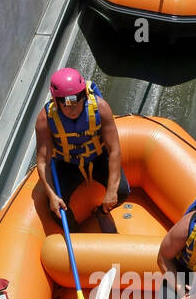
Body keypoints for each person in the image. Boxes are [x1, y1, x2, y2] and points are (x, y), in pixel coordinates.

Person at [35, 67, 130, 233]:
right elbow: (43, 161)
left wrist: (112, 190)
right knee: (57, 212)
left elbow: (114, 150)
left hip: (98, 158)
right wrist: (52, 195)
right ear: (56, 101)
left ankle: (102, 213)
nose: (73, 109)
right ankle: (76, 233)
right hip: (67, 163)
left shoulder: (101, 108)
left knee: (122, 191)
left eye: (77, 102)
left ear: (84, 96)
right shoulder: (45, 119)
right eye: (67, 104)